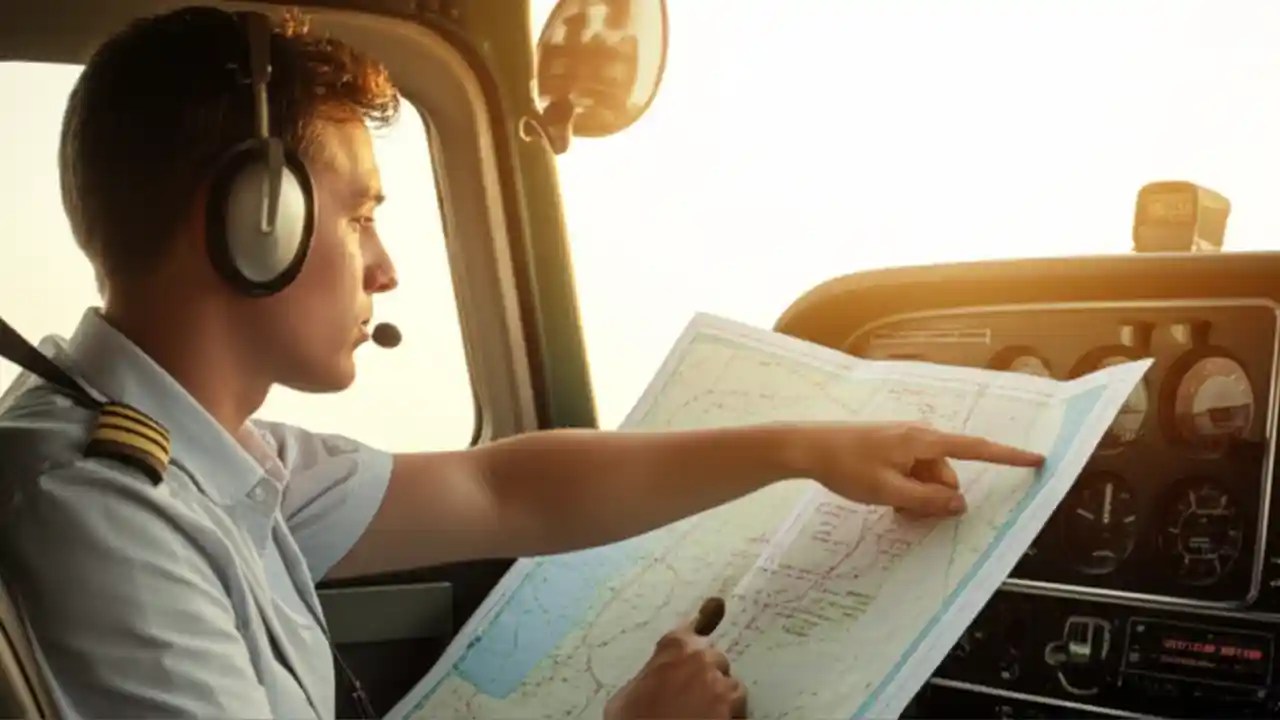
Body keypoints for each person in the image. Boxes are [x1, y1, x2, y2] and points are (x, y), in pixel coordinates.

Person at [0, 6, 1044, 719]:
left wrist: (806, 448)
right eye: (359, 215)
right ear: (252, 222)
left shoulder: (202, 458)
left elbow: (504, 490)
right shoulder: (100, 512)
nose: (385, 267)